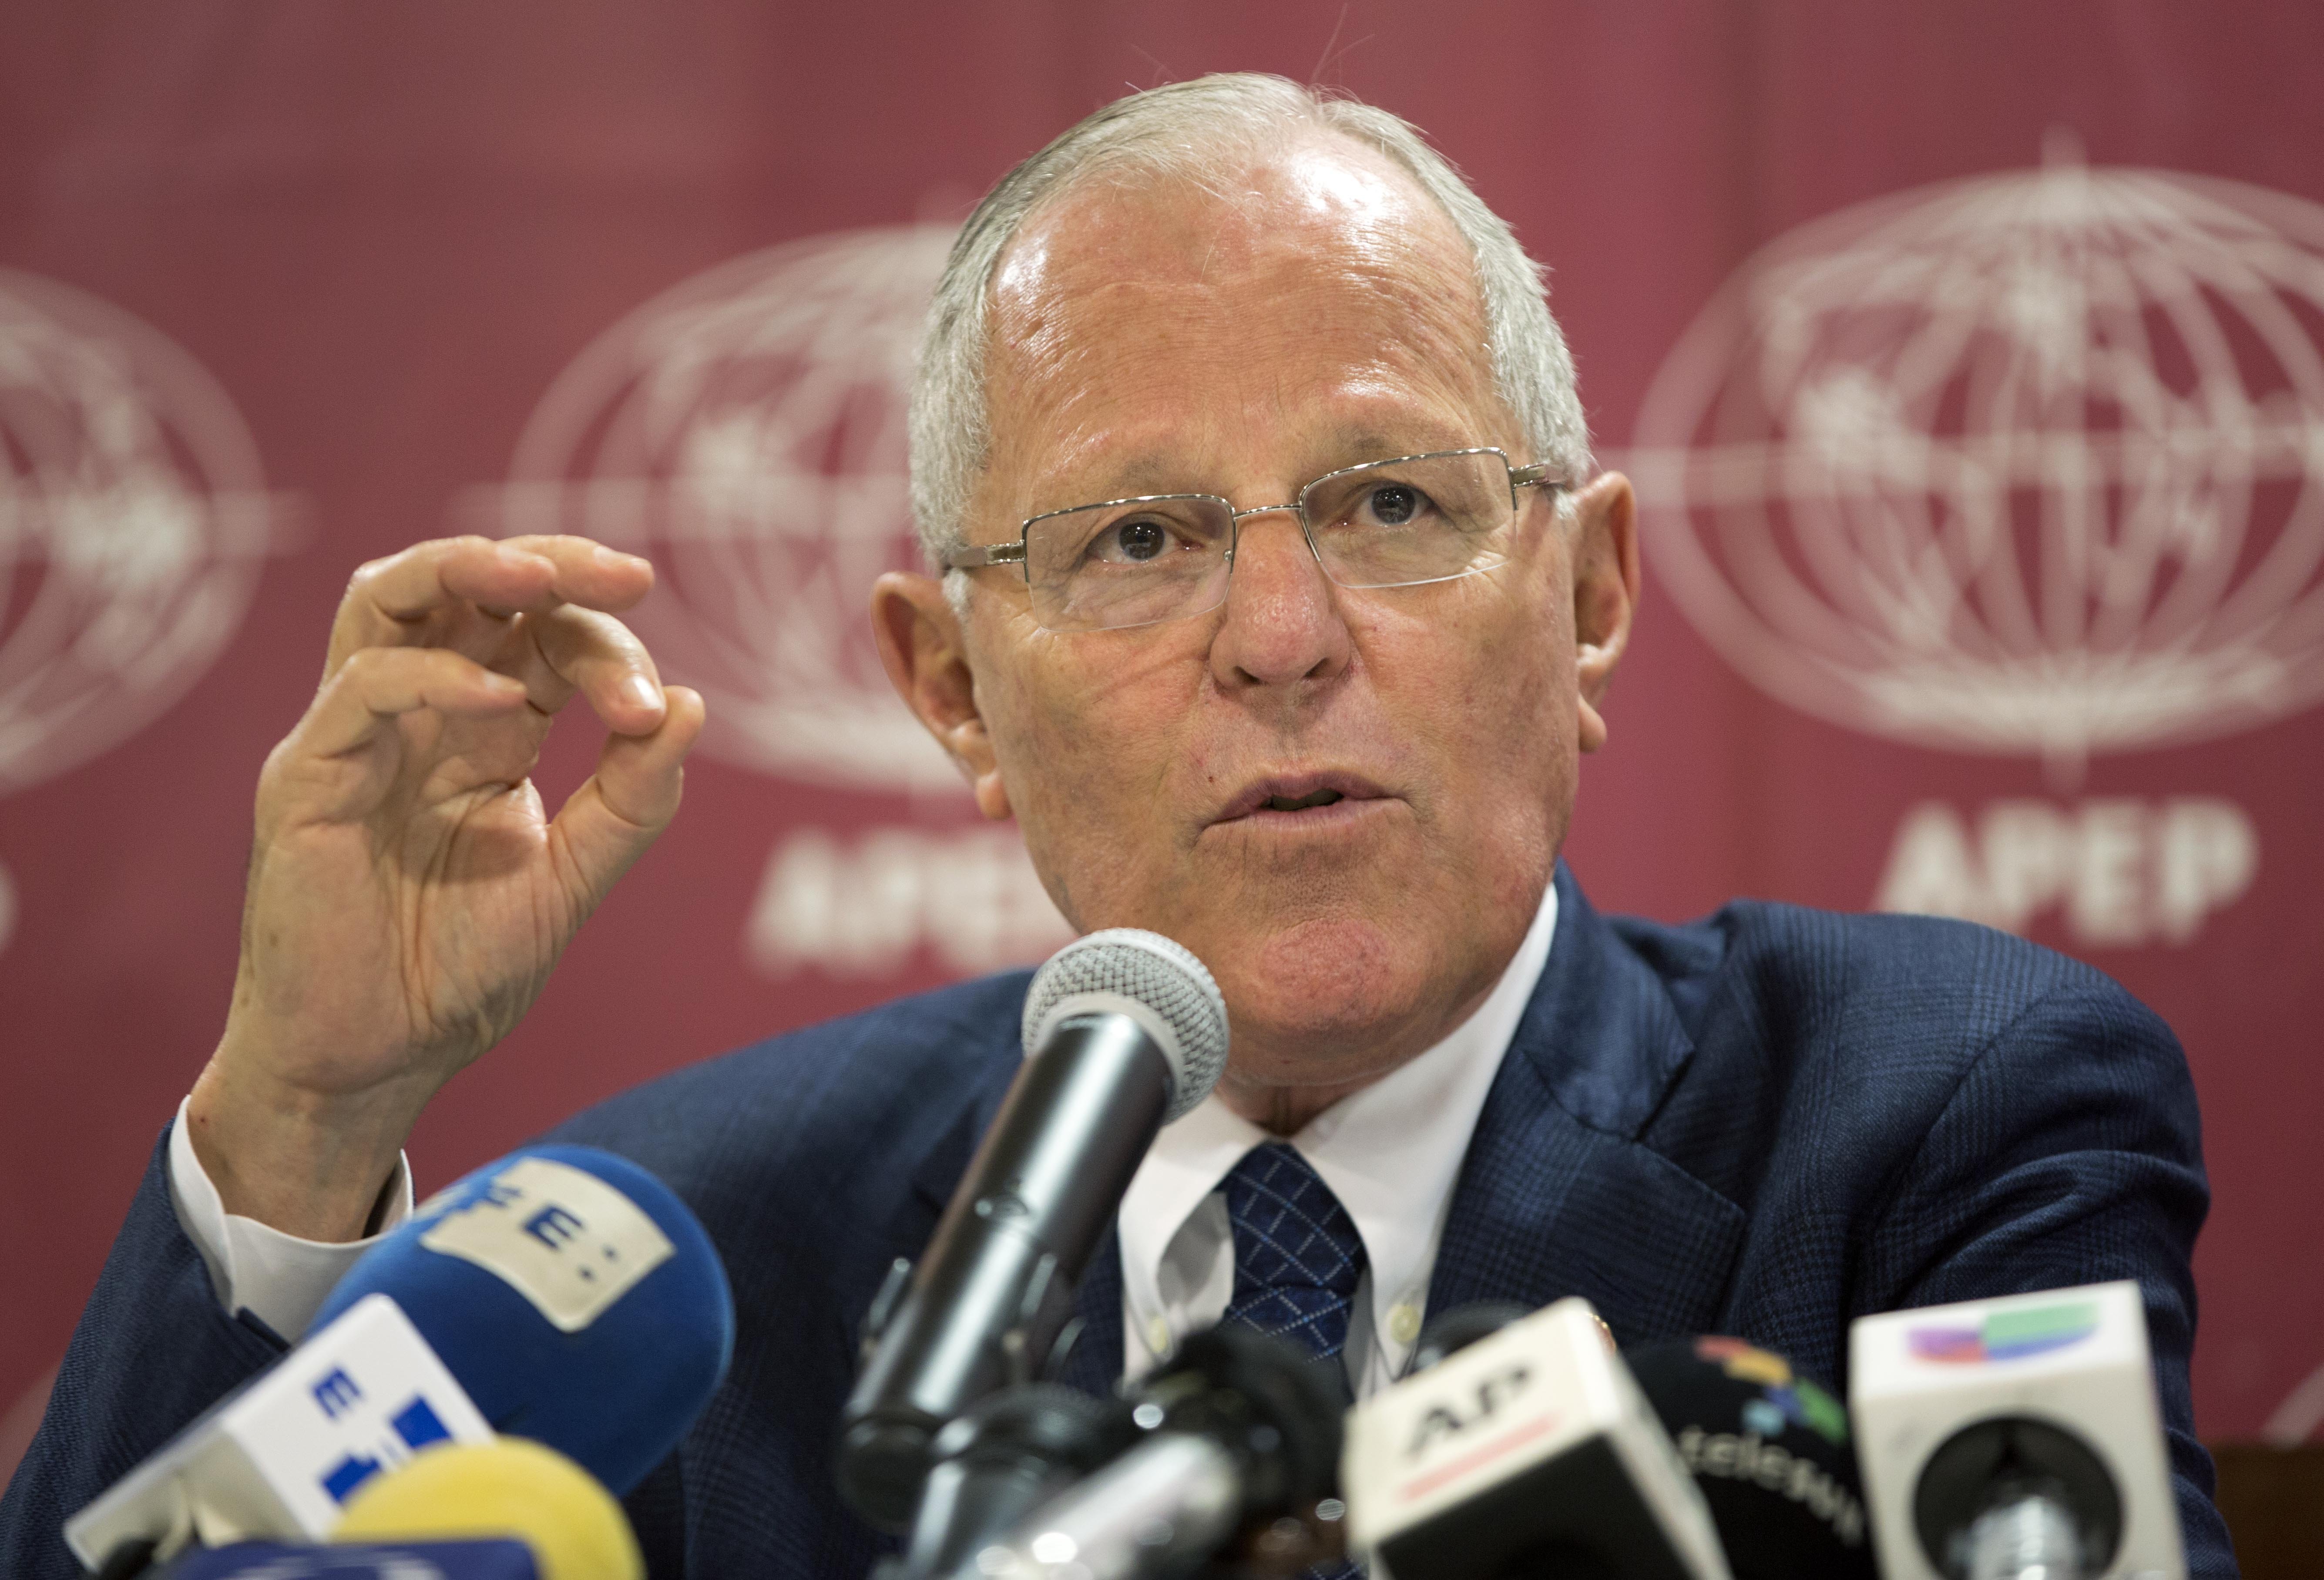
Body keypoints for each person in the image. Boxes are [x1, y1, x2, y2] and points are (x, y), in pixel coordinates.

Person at [0, 74, 2235, 1578]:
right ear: (953, 689)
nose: (1282, 635)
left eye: (1390, 501)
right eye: (1140, 539)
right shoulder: (696, 1254)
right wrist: (307, 1110)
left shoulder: (1927, 1114)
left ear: (1587, 596)